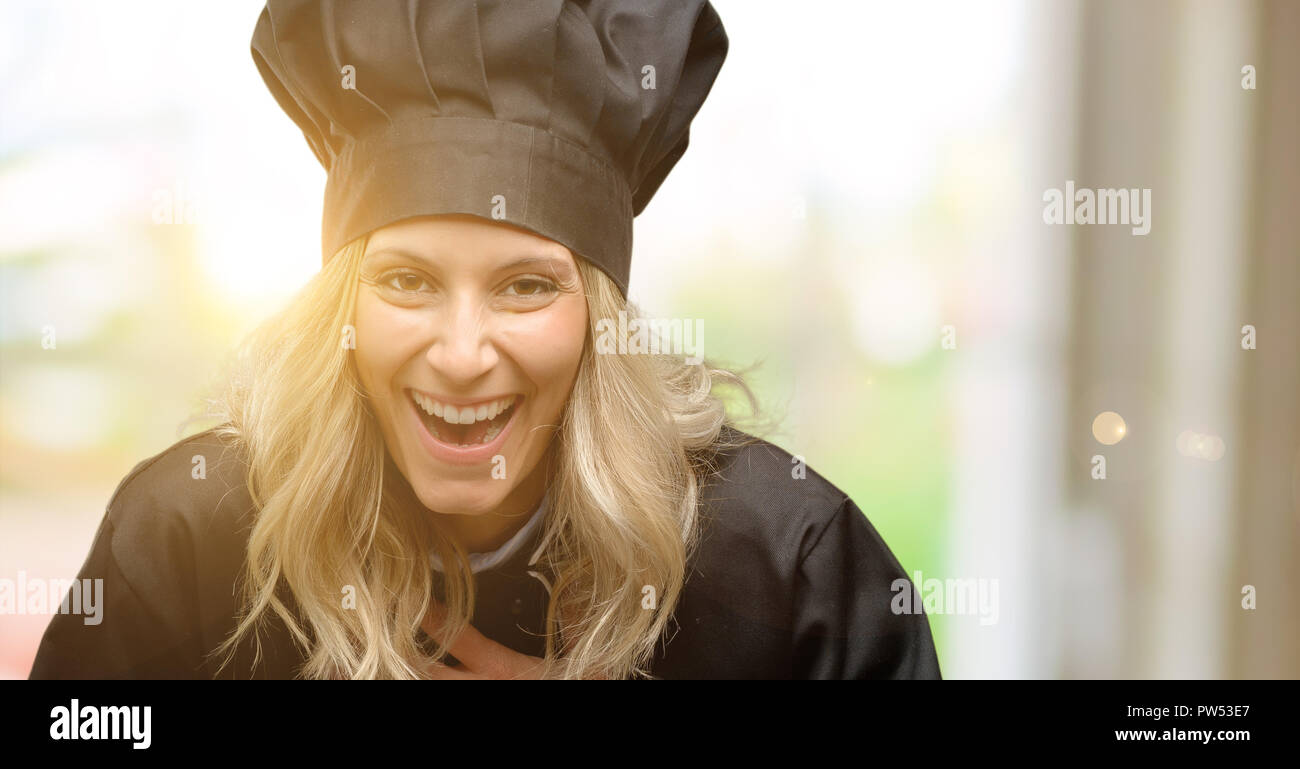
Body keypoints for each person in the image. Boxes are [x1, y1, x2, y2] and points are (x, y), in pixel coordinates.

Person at [29, 0, 941, 680]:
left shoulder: (787, 564)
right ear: (341, 309)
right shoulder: (190, 535)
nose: (463, 354)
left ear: (598, 320)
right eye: (407, 281)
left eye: (527, 286)